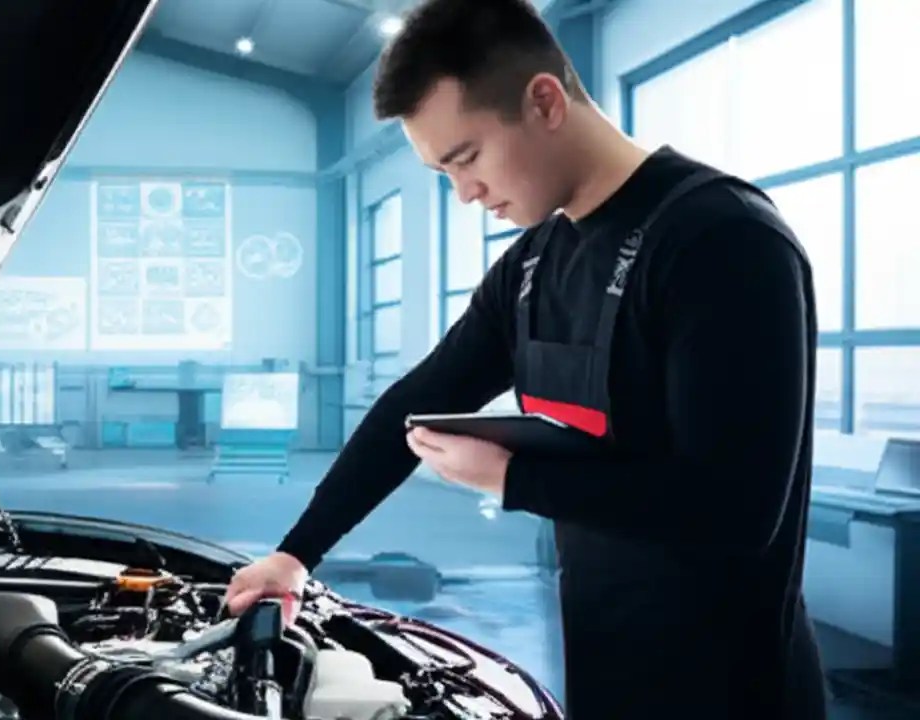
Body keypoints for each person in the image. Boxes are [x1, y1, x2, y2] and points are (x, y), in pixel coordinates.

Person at [224, 0, 829, 718]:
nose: (464, 193)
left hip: (737, 688)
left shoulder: (723, 243)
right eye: (442, 173)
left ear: (543, 101)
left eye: (466, 157)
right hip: (609, 666)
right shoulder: (534, 265)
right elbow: (408, 408)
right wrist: (296, 556)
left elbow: (734, 511)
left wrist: (516, 478)